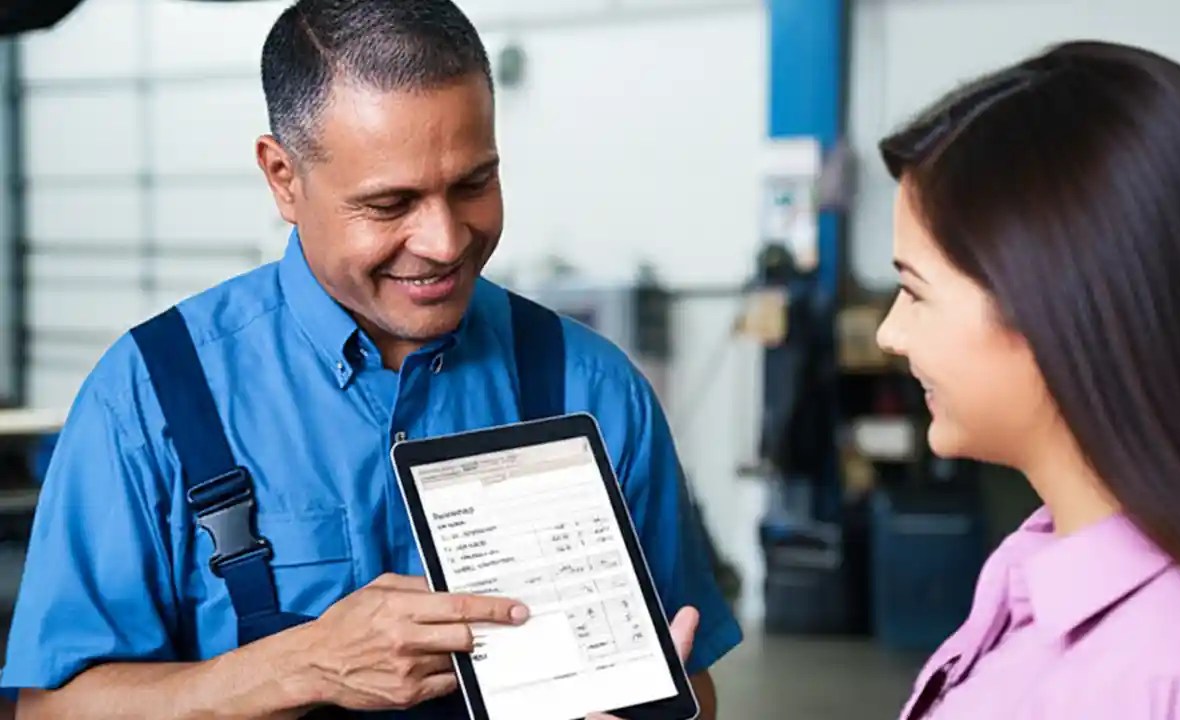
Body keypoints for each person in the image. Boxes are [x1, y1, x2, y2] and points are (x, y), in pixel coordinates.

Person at [0, 1, 741, 717]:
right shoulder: (149, 399)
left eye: (474, 184)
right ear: (283, 179)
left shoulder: (595, 391)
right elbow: (51, 710)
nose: (446, 242)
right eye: (390, 205)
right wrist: (296, 666)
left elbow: (688, 684)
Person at [872, 40, 1180, 719]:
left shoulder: (1162, 678)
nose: (889, 333)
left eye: (915, 292)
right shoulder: (1042, 562)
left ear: (1052, 304)